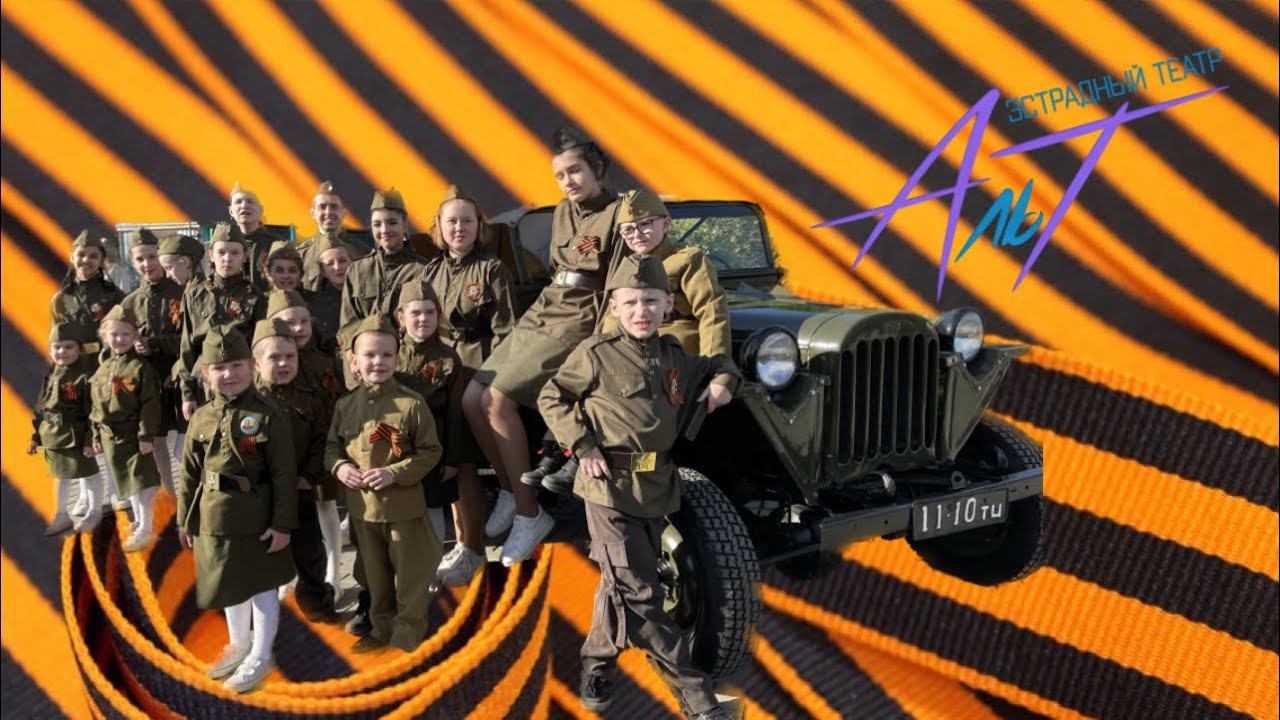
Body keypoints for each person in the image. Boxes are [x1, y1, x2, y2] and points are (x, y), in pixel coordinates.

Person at [538, 255, 738, 719]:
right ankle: (699, 699)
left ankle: (596, 665)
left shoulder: (674, 357)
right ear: (614, 306)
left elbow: (719, 363)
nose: (640, 311)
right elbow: (552, 396)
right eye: (629, 302)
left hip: (656, 487)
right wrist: (582, 446)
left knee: (621, 584)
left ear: (667, 304)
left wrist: (725, 381)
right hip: (607, 488)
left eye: (650, 301)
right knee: (643, 595)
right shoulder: (596, 354)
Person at [466, 127, 627, 567]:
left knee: (497, 400)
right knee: (472, 398)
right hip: (547, 306)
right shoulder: (562, 212)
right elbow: (556, 266)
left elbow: (618, 281)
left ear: (596, 169)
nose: (567, 181)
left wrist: (602, 338)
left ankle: (529, 513)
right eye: (560, 175)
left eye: (575, 171)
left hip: (581, 314)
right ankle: (509, 489)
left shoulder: (620, 213)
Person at [543, 189, 733, 493]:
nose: (637, 235)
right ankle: (563, 451)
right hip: (623, 349)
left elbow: (712, 312)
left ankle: (577, 461)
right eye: (628, 229)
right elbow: (609, 318)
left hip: (666, 349)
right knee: (584, 383)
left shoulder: (687, 260)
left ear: (666, 224)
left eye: (645, 225)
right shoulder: (624, 265)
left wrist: (720, 373)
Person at [176, 327, 297, 694]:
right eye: (219, 368)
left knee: (261, 586)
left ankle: (261, 654)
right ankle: (239, 645)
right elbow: (189, 473)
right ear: (205, 374)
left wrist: (282, 524)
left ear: (252, 366)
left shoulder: (267, 414)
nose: (229, 374)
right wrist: (185, 520)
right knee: (230, 584)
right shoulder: (201, 417)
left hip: (257, 516)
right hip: (215, 517)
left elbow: (283, 474)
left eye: (236, 365)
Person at [325, 314, 443, 653]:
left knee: (410, 577)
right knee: (373, 577)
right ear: (354, 362)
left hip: (403, 510)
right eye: (370, 355)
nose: (378, 362)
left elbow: (431, 451)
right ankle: (380, 630)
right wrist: (339, 468)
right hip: (363, 513)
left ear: (397, 359)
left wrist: (394, 472)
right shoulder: (346, 405)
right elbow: (331, 448)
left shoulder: (411, 404)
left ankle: (407, 636)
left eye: (386, 355)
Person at [422, 186, 516, 585]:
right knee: (449, 464)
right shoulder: (429, 272)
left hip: (478, 366)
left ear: (479, 228)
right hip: (438, 371)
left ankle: (473, 548)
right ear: (439, 229)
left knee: (463, 465)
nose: (459, 228)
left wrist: (494, 379)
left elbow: (507, 331)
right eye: (451, 221)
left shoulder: (492, 270)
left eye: (467, 221)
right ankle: (463, 545)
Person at [251, 319, 341, 625]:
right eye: (274, 357)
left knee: (310, 556)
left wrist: (308, 477)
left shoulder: (308, 398)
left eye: (290, 357)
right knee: (267, 558)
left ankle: (318, 609)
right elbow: (243, 450)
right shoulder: (249, 404)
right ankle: (270, 620)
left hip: (300, 492)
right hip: (264, 499)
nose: (283, 364)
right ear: (257, 363)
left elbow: (322, 439)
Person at [265, 289, 343, 590]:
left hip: (320, 450)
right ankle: (290, 575)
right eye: (288, 323)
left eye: (304, 321)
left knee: (326, 507)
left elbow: (334, 411)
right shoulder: (270, 363)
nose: (298, 328)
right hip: (286, 454)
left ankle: (334, 572)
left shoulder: (323, 364)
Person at [392, 282, 465, 570]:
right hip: (395, 446)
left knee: (433, 505)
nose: (423, 319)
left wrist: (452, 459)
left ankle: (432, 570)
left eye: (430, 312)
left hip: (435, 442)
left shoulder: (449, 358)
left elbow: (456, 412)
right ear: (401, 316)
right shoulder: (389, 351)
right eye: (416, 313)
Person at [90, 305, 164, 552]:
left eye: (126, 334)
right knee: (127, 484)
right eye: (114, 334)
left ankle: (146, 529)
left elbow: (150, 404)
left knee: (141, 482)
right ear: (105, 336)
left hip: (133, 435)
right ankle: (141, 523)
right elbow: (95, 406)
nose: (120, 339)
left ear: (134, 336)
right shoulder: (104, 368)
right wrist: (95, 436)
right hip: (111, 439)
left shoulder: (140, 368)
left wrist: (146, 435)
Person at [118, 229, 186, 495]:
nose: (147, 264)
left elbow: (193, 338)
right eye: (140, 259)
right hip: (150, 386)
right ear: (133, 263)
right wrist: (134, 347)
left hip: (182, 381)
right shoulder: (130, 302)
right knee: (157, 442)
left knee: (186, 446)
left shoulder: (183, 293)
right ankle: (171, 496)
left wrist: (157, 344)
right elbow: (119, 345)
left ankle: (201, 495)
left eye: (152, 256)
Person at [177, 222, 265, 421]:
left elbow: (259, 347)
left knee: (245, 433)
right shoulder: (195, 295)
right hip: (204, 383)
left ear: (245, 256)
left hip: (242, 382)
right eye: (221, 252)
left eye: (234, 253)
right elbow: (187, 347)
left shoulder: (255, 296)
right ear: (211, 255)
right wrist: (187, 394)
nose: (227, 258)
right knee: (207, 434)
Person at [28, 323, 105, 536]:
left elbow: (94, 413)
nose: (62, 352)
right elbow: (41, 407)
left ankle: (94, 511)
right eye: (57, 347)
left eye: (69, 347)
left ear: (79, 349)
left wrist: (91, 440)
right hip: (53, 436)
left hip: (76, 436)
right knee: (60, 475)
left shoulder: (85, 377)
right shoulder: (51, 372)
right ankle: (62, 514)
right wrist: (36, 437)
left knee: (88, 473)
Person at [51, 230, 125, 370]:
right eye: (81, 255)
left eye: (93, 256)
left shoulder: (115, 295)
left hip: (105, 365)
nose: (86, 260)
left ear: (101, 261)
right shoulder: (60, 299)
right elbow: (56, 340)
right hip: (73, 368)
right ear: (72, 257)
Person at [296, 181, 370, 289]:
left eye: (334, 207)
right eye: (322, 207)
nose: (328, 212)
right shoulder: (301, 255)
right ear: (313, 213)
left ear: (343, 213)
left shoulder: (363, 251)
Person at [227, 181, 285, 292]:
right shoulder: (223, 245)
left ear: (261, 209)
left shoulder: (277, 245)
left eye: (250, 201)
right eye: (238, 202)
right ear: (231, 211)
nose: (244, 205)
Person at [302, 233, 351, 355]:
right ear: (323, 271)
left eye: (342, 261)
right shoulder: (314, 304)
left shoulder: (363, 295)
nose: (337, 267)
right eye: (330, 264)